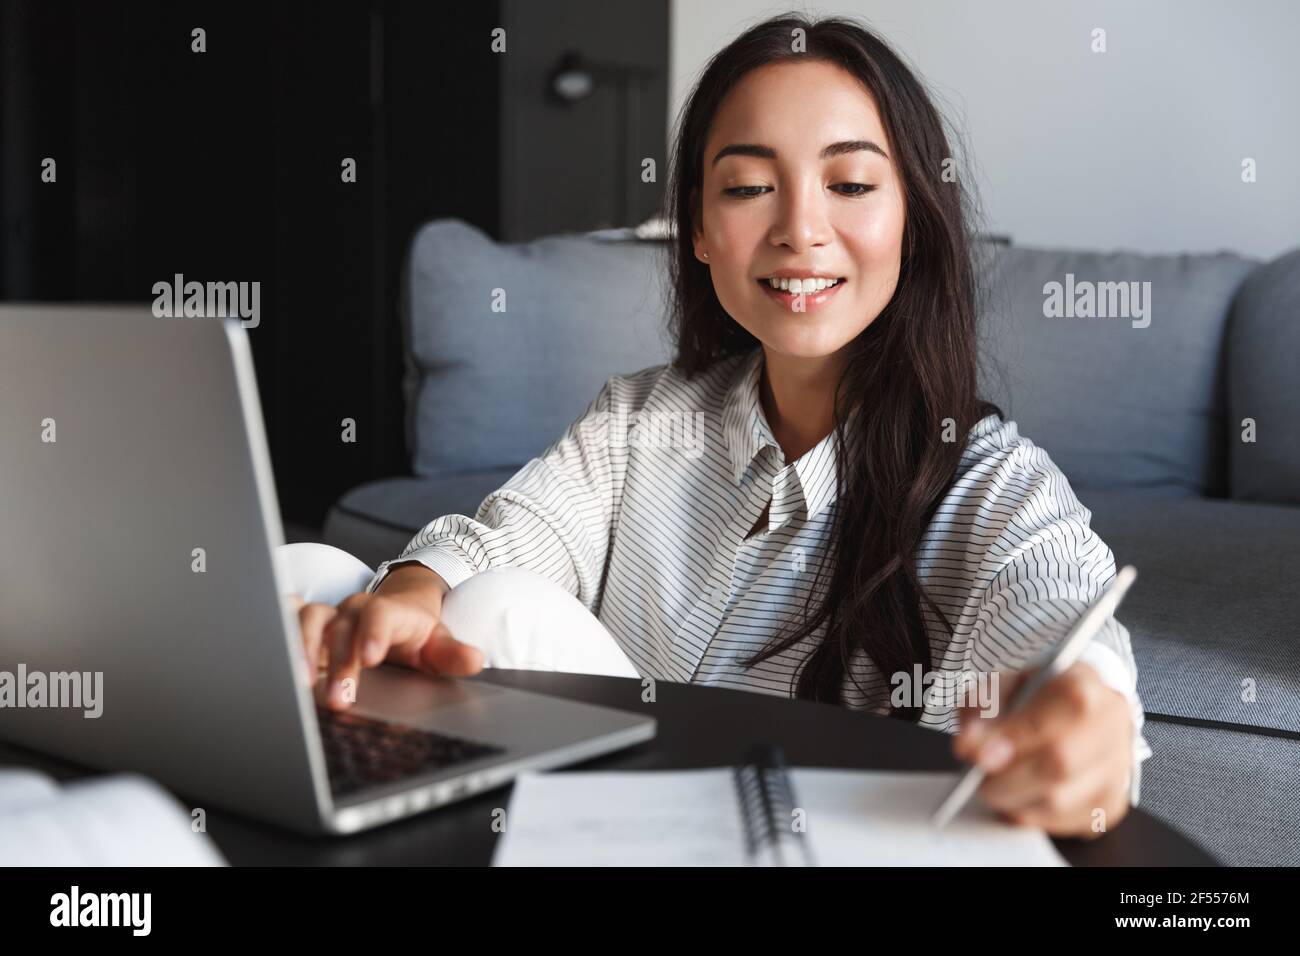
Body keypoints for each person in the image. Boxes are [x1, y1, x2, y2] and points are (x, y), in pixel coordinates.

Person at [292, 13, 1150, 838]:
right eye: (748, 188)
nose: (801, 231)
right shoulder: (638, 421)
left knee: (493, 612)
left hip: (811, 842)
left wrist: (1090, 712)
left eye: (850, 184)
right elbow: (510, 537)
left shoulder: (985, 477)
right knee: (310, 577)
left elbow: (1055, 605)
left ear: (914, 224)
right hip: (594, 820)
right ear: (700, 227)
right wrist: (405, 590)